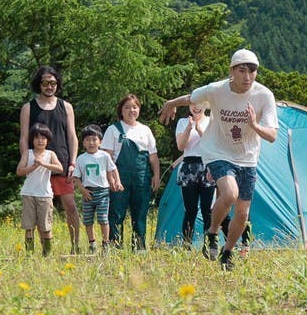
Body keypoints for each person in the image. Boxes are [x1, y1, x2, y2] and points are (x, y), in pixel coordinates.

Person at [158, 49, 277, 270]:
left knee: (243, 212)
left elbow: (272, 135)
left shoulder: (263, 95)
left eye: (252, 71)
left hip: (248, 157)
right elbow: (191, 97)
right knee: (229, 194)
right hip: (217, 151)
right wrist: (170, 103)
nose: (248, 76)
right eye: (242, 70)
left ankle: (228, 251)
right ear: (232, 71)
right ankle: (212, 233)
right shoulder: (217, 89)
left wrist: (254, 126)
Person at [19, 66, 81, 254]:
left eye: (53, 83)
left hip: (61, 163)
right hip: (36, 165)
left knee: (70, 205)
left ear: (57, 84)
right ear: (39, 84)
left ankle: (75, 246)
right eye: (45, 82)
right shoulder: (29, 107)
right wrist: (26, 161)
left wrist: (73, 162)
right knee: (40, 210)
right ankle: (44, 251)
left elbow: (72, 136)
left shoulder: (66, 107)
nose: (49, 86)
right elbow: (23, 137)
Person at [101, 94, 161, 251]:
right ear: (121, 110)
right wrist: (111, 179)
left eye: (134, 107)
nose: (131, 110)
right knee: (116, 214)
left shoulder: (145, 130)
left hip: (142, 178)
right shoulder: (113, 130)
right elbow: (106, 157)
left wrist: (156, 175)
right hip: (119, 178)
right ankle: (114, 248)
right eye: (127, 107)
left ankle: (139, 248)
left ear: (139, 109)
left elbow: (153, 156)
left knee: (140, 215)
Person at [174, 102, 217, 252]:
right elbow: (180, 146)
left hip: (207, 166)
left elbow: (212, 145)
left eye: (199, 103)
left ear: (206, 104)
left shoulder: (212, 121)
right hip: (189, 166)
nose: (196, 107)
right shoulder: (182, 122)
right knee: (190, 209)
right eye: (192, 104)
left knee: (207, 209)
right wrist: (189, 127)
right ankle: (186, 244)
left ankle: (209, 244)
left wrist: (199, 128)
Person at [74, 124, 121, 252]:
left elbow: (113, 168)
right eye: (88, 140)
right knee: (88, 220)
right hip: (87, 192)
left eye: (94, 140)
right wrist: (82, 190)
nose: (91, 143)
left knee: (103, 219)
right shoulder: (80, 159)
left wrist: (118, 181)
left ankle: (106, 244)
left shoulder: (104, 156)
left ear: (100, 142)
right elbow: (76, 177)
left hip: (103, 192)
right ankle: (92, 244)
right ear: (83, 142)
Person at [17, 122, 61, 255]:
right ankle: (29, 255)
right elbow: (19, 171)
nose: (40, 141)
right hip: (28, 193)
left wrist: (44, 164)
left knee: (46, 226)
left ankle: (47, 254)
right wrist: (34, 167)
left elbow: (60, 168)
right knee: (29, 226)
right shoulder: (27, 153)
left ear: (47, 140)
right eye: (37, 137)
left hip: (45, 194)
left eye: (43, 138)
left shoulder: (50, 154)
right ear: (32, 139)